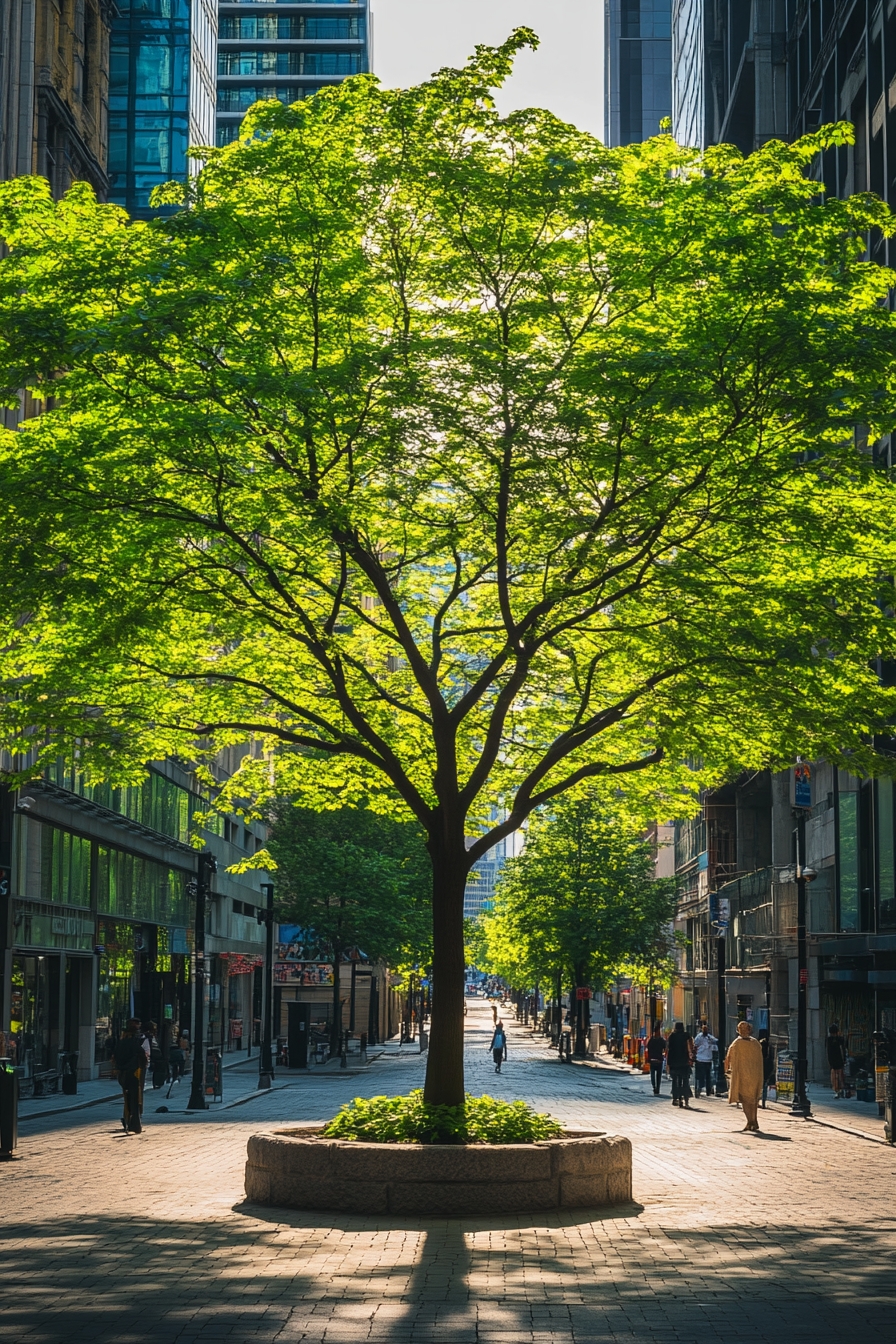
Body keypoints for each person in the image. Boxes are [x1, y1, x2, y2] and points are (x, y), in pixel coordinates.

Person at [725, 1020, 764, 1131]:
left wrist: (727, 1070)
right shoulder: (756, 1043)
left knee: (746, 1100)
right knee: (753, 1099)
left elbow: (728, 1058)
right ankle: (754, 1121)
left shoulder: (737, 1043)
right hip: (755, 1075)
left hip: (742, 1075)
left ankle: (750, 1121)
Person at [113, 1020, 146, 1134]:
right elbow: (142, 1056)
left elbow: (115, 1057)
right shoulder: (134, 1043)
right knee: (135, 1099)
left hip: (122, 1074)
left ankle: (127, 1120)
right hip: (133, 1073)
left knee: (126, 1098)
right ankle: (135, 1124)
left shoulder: (120, 1043)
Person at [666, 1022, 693, 1108]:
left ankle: (675, 1098)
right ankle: (685, 1098)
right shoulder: (686, 1035)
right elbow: (691, 1046)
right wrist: (691, 1058)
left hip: (674, 1062)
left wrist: (668, 1063)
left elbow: (669, 1050)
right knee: (685, 1080)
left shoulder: (672, 1036)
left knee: (675, 1081)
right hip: (684, 1062)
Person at [692, 1020, 717, 1097]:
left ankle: (707, 1090)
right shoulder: (699, 1037)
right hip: (700, 1059)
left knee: (707, 1076)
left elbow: (716, 1042)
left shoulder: (710, 1038)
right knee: (701, 1076)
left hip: (707, 1059)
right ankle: (699, 1089)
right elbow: (695, 1045)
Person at [826, 1023, 847, 1098]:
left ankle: (837, 1090)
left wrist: (829, 1061)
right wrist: (844, 1059)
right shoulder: (840, 1039)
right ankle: (841, 1090)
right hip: (839, 1059)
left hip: (833, 1060)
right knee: (840, 1075)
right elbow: (843, 1049)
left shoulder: (829, 1040)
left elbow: (828, 1051)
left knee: (834, 1076)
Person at [646, 1025, 666, 1095]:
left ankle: (657, 1088)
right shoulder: (658, 1040)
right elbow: (665, 1048)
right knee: (654, 1075)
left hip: (658, 1060)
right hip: (655, 1060)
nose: (659, 1033)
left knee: (657, 1075)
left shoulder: (652, 1040)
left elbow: (665, 1048)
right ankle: (655, 1087)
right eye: (658, 1031)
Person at [758, 1029, 775, 1108]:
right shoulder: (770, 1046)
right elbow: (772, 1058)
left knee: (758, 1086)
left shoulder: (758, 1045)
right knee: (764, 1085)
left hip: (760, 1066)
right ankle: (763, 1102)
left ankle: (757, 1100)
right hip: (767, 1067)